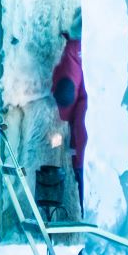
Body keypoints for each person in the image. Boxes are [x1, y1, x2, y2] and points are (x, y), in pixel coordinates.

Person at [49, 18, 87, 194]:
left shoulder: (76, 51)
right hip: (88, 151)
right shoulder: (78, 51)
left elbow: (67, 94)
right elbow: (67, 92)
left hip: (86, 152)